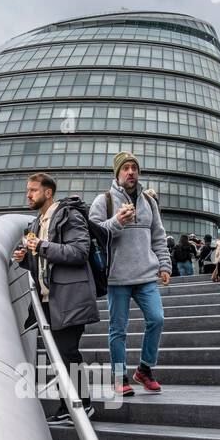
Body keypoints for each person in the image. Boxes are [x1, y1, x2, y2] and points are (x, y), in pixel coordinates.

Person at [12, 172, 99, 423]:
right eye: (28, 190)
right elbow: (44, 264)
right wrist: (25, 259)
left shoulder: (68, 216)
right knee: (57, 356)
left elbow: (79, 252)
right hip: (47, 300)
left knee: (67, 353)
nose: (28, 195)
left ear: (48, 193)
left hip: (69, 297)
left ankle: (83, 404)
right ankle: (66, 405)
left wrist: (41, 247)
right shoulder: (36, 223)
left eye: (33, 190)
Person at [88, 151, 171, 396]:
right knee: (118, 329)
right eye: (125, 168)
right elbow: (93, 233)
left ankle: (144, 369)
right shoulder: (103, 201)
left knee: (157, 319)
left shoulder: (149, 201)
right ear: (117, 173)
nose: (131, 172)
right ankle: (119, 376)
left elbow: (158, 236)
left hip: (146, 275)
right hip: (117, 277)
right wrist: (116, 222)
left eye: (134, 167)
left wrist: (164, 265)